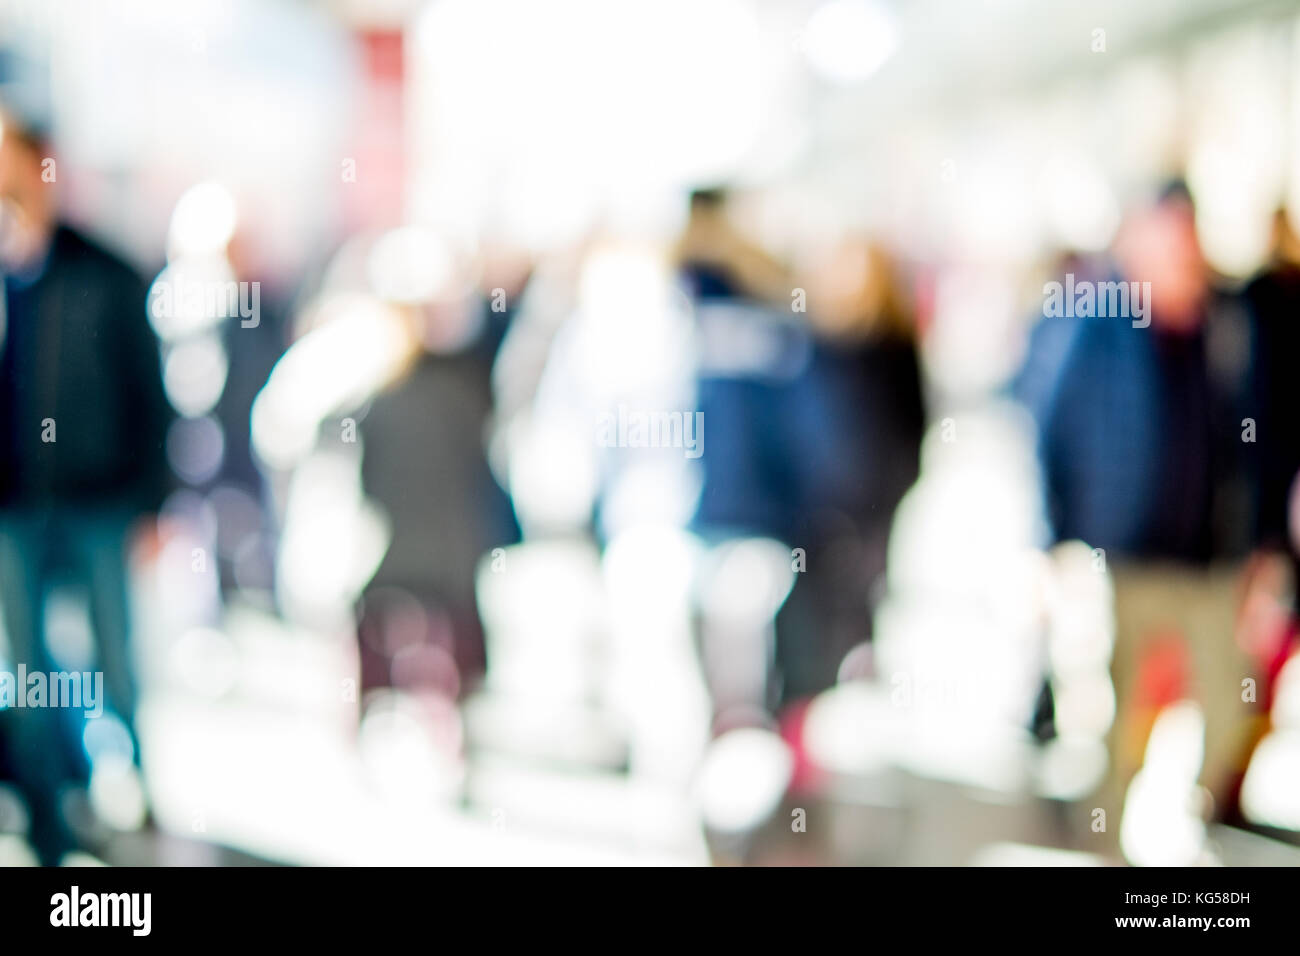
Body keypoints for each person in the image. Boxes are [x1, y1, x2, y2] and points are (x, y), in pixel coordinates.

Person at [1015, 181, 1258, 858]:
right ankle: (1106, 842)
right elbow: (1047, 427)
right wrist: (1048, 543)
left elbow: (1257, 436)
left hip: (1208, 556)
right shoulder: (1095, 320)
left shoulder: (1224, 321)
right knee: (1118, 719)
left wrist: (1261, 538)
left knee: (1224, 699)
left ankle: (1196, 810)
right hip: (1122, 557)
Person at [0, 111, 171, 863]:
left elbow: (148, 393)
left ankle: (133, 777)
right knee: (26, 665)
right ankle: (47, 802)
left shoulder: (103, 272)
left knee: (112, 650)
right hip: (13, 506)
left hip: (99, 499)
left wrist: (153, 500)